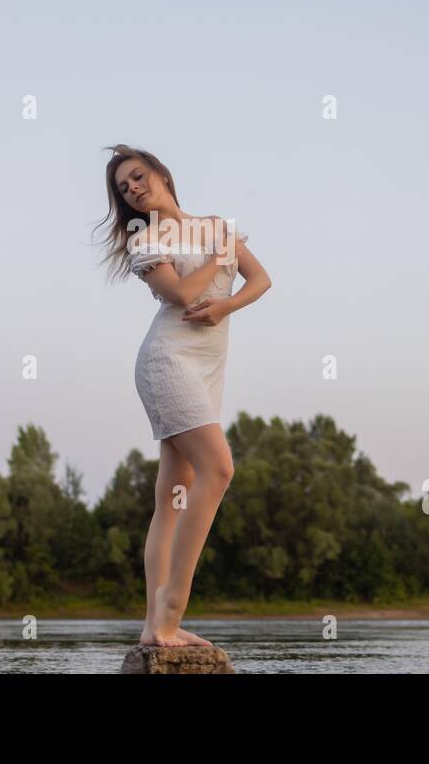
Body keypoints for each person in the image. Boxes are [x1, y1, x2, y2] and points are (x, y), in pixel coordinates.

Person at [95, 144, 272, 647]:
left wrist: (225, 307)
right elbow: (181, 294)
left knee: (173, 495)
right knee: (219, 469)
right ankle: (170, 614)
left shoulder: (216, 225)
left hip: (209, 365)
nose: (133, 188)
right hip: (167, 361)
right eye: (123, 188)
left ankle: (155, 626)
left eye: (137, 176)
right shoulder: (146, 239)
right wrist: (218, 259)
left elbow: (261, 279)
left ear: (161, 174)